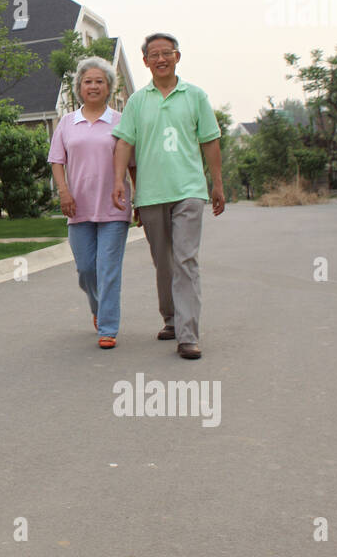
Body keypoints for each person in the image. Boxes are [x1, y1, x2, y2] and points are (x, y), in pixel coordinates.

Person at [111, 33, 224, 360]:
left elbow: (210, 141)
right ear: (145, 61)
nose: (161, 59)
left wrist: (216, 183)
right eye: (154, 55)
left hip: (189, 190)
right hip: (150, 195)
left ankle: (188, 335)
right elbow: (124, 143)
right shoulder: (136, 102)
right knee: (164, 262)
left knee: (185, 260)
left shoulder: (196, 96)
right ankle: (172, 319)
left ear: (177, 56)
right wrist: (119, 181)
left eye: (167, 53)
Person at [49, 56, 133, 349]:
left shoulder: (121, 122)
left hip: (114, 206)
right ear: (79, 87)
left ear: (109, 87)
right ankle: (98, 308)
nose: (94, 86)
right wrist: (63, 191)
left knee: (108, 269)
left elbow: (131, 164)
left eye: (100, 81)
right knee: (86, 269)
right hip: (78, 207)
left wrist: (138, 195)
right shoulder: (68, 123)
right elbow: (57, 161)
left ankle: (108, 328)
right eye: (88, 81)